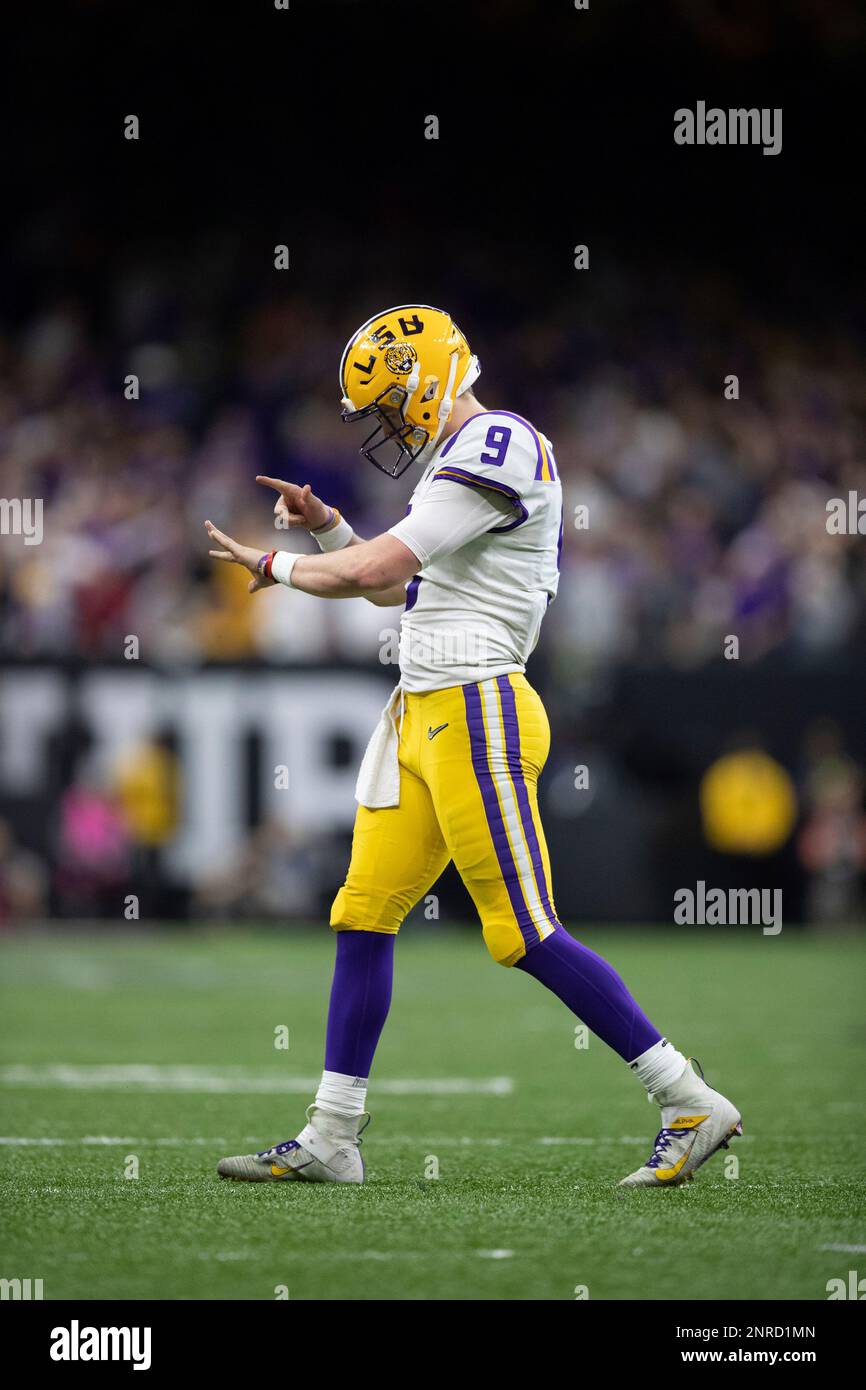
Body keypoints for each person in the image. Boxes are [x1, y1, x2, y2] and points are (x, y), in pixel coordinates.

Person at [205, 304, 741, 1188]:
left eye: (387, 406)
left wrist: (276, 566)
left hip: (479, 704)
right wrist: (332, 529)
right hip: (421, 712)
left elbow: (379, 574)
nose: (384, 427)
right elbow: (394, 589)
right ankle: (334, 1135)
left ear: (423, 383)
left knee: (522, 932)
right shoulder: (462, 460)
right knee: (363, 913)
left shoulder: (501, 442)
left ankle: (688, 1099)